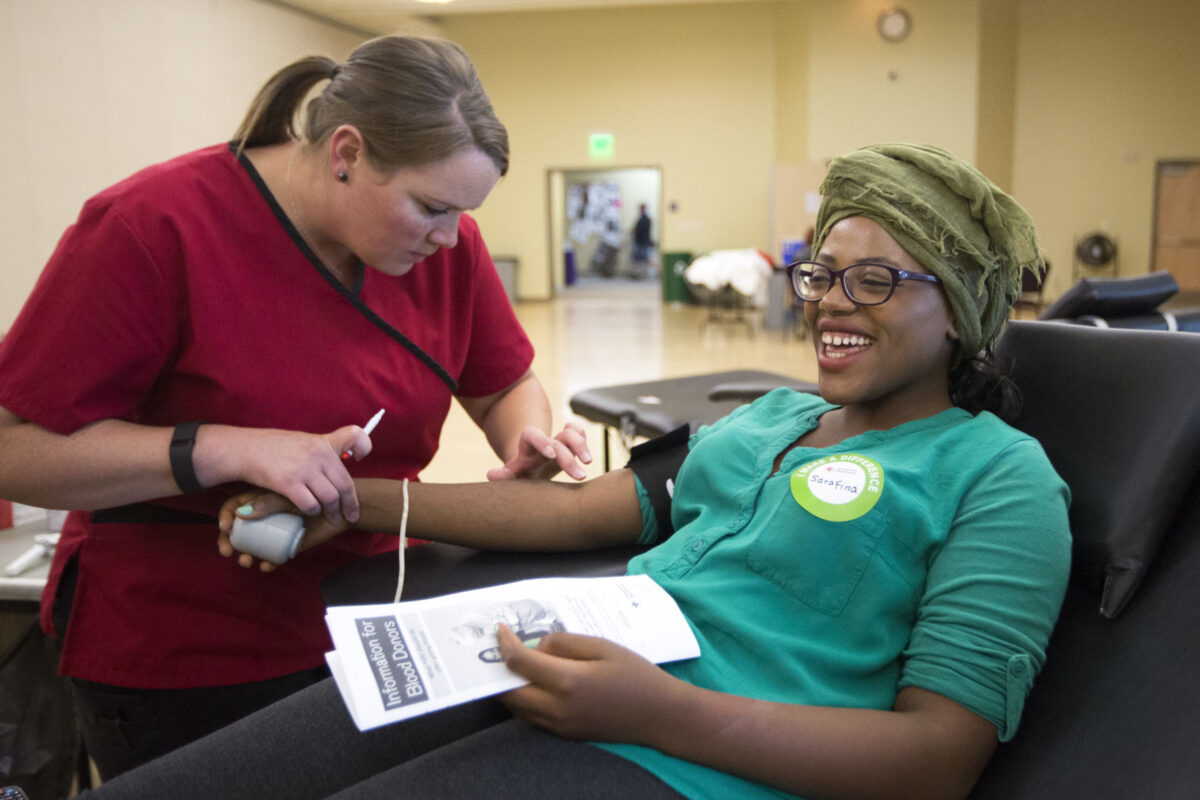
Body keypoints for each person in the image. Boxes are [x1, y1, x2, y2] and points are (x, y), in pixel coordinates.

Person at [78, 143, 1071, 800]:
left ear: (962, 307)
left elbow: (938, 759)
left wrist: (663, 712)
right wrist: (350, 500)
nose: (832, 302)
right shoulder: (775, 418)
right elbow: (577, 513)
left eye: (876, 279)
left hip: (690, 760)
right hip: (572, 672)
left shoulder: (997, 477)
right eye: (822, 273)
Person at [0, 35, 591, 781]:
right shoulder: (153, 228)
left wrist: (524, 436)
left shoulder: (446, 249)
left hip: (376, 616)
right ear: (347, 152)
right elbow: (14, 449)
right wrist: (221, 448)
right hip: (186, 650)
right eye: (431, 208)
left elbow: (502, 382)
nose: (450, 238)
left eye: (462, 214)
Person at [630, 202, 655, 279]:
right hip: (641, 241)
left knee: (642, 259)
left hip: (642, 242)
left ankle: (641, 274)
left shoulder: (645, 219)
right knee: (639, 259)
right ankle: (639, 274)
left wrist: (633, 231)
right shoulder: (643, 219)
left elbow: (639, 230)